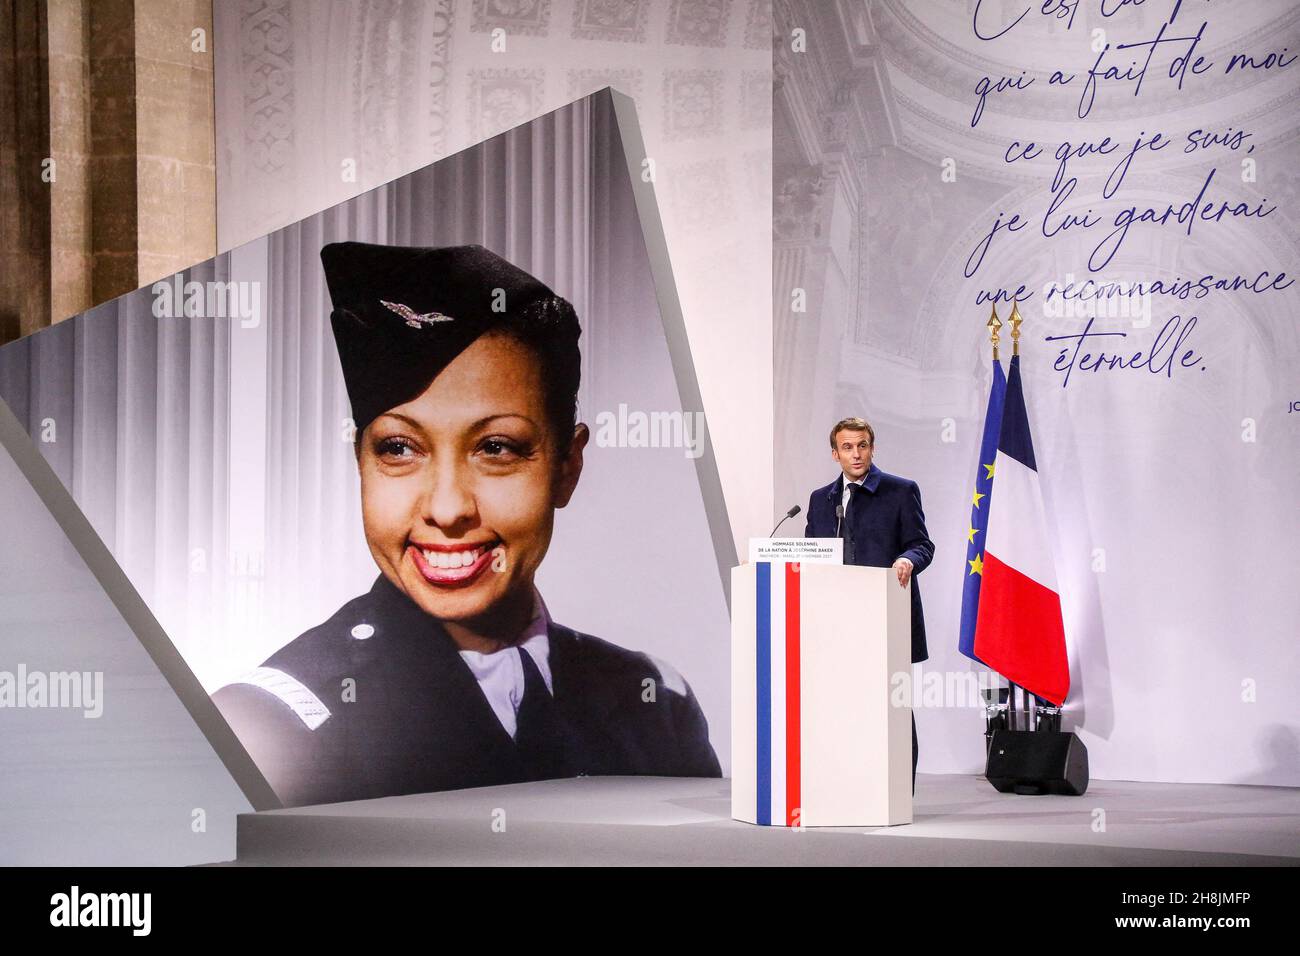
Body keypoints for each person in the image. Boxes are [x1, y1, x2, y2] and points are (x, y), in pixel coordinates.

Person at [214, 241, 720, 807]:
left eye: (496, 447)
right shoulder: (269, 728)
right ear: (360, 463)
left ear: (567, 467)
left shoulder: (655, 703)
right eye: (400, 448)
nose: (448, 508)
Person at [802, 417, 933, 793]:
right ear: (835, 454)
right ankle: (848, 786)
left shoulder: (900, 491)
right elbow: (812, 554)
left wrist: (907, 561)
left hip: (886, 618)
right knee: (842, 707)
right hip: (835, 624)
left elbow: (922, 544)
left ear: (872, 448)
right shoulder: (820, 499)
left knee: (891, 709)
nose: (856, 454)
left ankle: (894, 791)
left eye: (862, 445)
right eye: (847, 447)